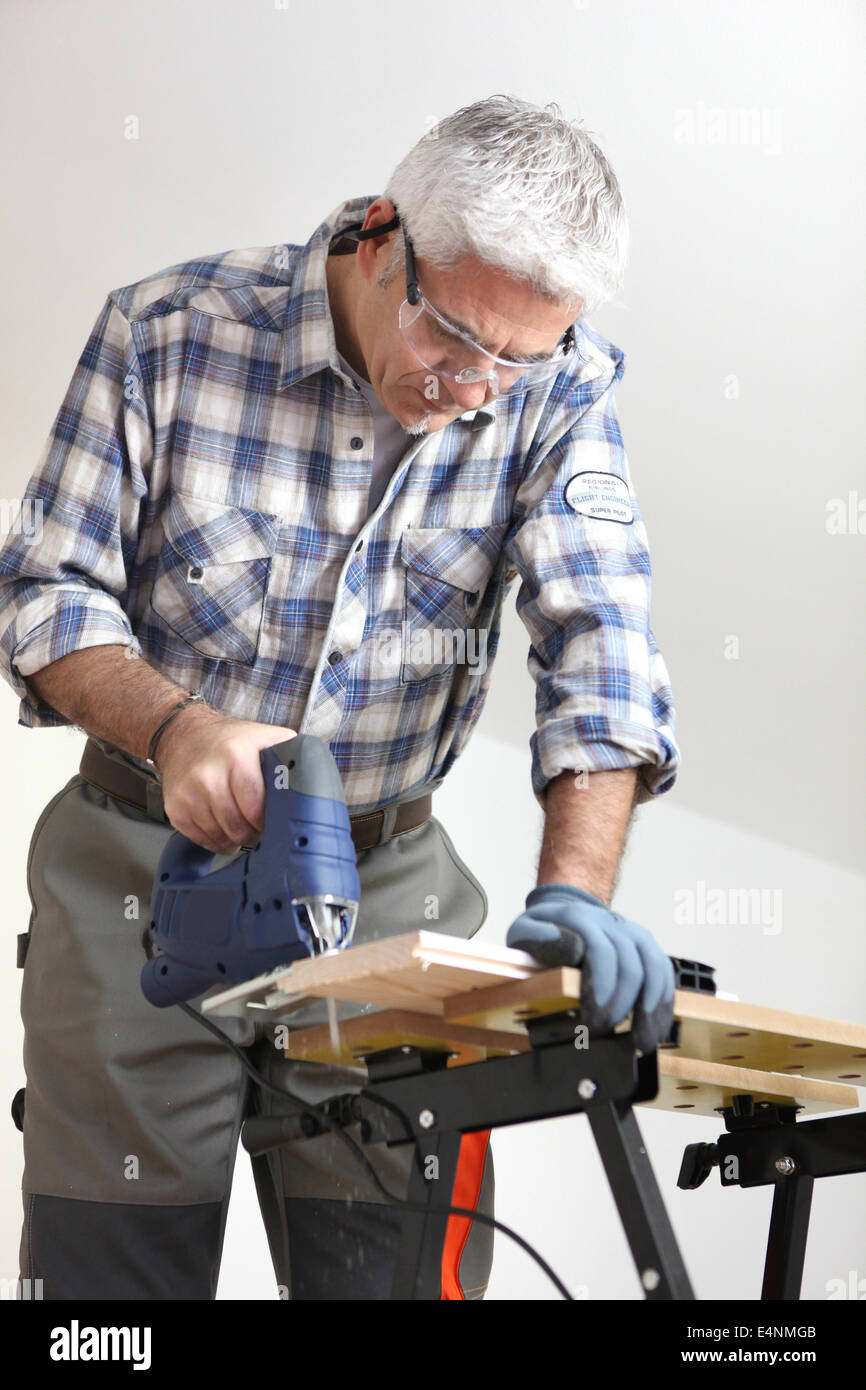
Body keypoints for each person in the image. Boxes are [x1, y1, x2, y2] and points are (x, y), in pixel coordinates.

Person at [0, 94, 680, 1300]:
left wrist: (574, 892)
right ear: (379, 236)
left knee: (398, 1284)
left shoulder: (557, 394)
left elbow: (599, 644)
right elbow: (44, 594)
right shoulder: (167, 332)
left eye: (520, 361)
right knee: (112, 1310)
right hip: (135, 887)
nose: (476, 388)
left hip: (383, 890)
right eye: (455, 338)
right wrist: (176, 726)